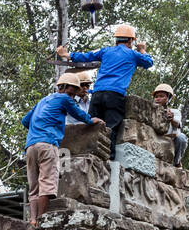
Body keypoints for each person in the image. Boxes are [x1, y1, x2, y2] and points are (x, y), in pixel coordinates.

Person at [57, 23, 153, 158]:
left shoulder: (106, 51)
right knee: (110, 130)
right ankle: (108, 163)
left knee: (91, 125)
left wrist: (66, 54)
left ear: (116, 40)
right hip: (115, 96)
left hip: (97, 95)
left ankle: (86, 156)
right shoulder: (133, 54)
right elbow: (149, 62)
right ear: (131, 41)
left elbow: (87, 56)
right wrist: (142, 49)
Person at [21, 73, 100, 224]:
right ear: (61, 88)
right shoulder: (64, 98)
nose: (71, 97)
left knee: (34, 187)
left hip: (30, 146)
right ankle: (40, 219)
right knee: (47, 183)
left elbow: (25, 121)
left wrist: (37, 128)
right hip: (48, 143)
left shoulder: (43, 100)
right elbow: (78, 113)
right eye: (70, 93)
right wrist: (91, 120)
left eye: (73, 94)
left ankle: (32, 220)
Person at [152, 83, 186, 165]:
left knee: (181, 137)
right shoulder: (151, 112)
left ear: (169, 98)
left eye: (161, 96)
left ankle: (176, 162)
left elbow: (177, 124)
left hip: (171, 139)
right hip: (155, 138)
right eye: (156, 97)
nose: (158, 99)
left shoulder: (175, 112)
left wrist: (171, 119)